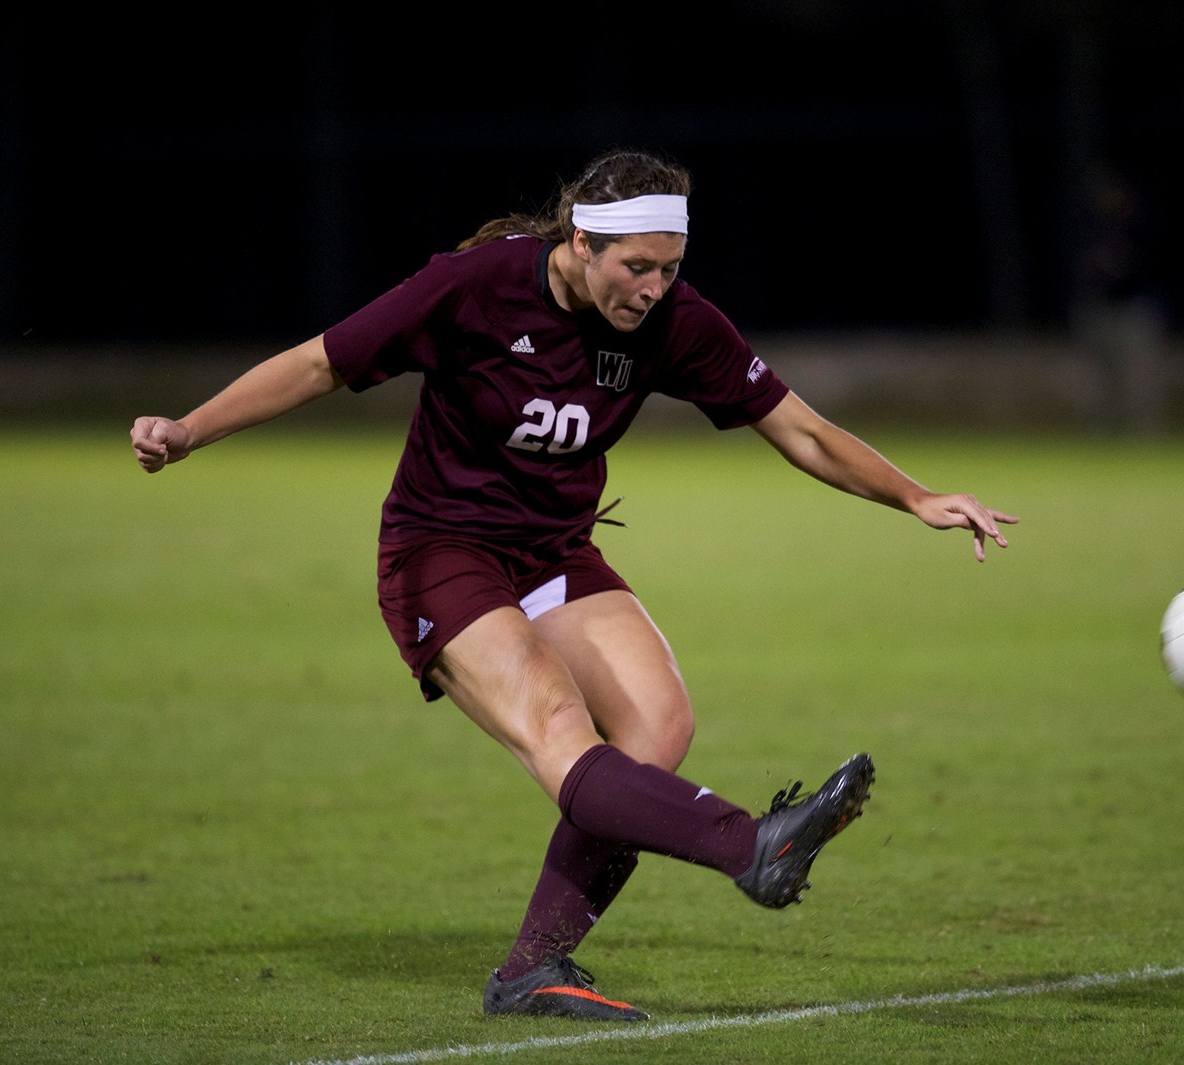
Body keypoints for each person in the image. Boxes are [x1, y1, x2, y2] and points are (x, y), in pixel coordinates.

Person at [130, 148, 1017, 1023]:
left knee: (658, 728)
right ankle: (750, 843)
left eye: (671, 269)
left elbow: (802, 430)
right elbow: (320, 362)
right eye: (637, 267)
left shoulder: (672, 320)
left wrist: (915, 496)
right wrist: (189, 429)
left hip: (555, 551)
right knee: (559, 729)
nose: (654, 289)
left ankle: (532, 968)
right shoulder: (473, 287)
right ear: (581, 243)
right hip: (442, 550)